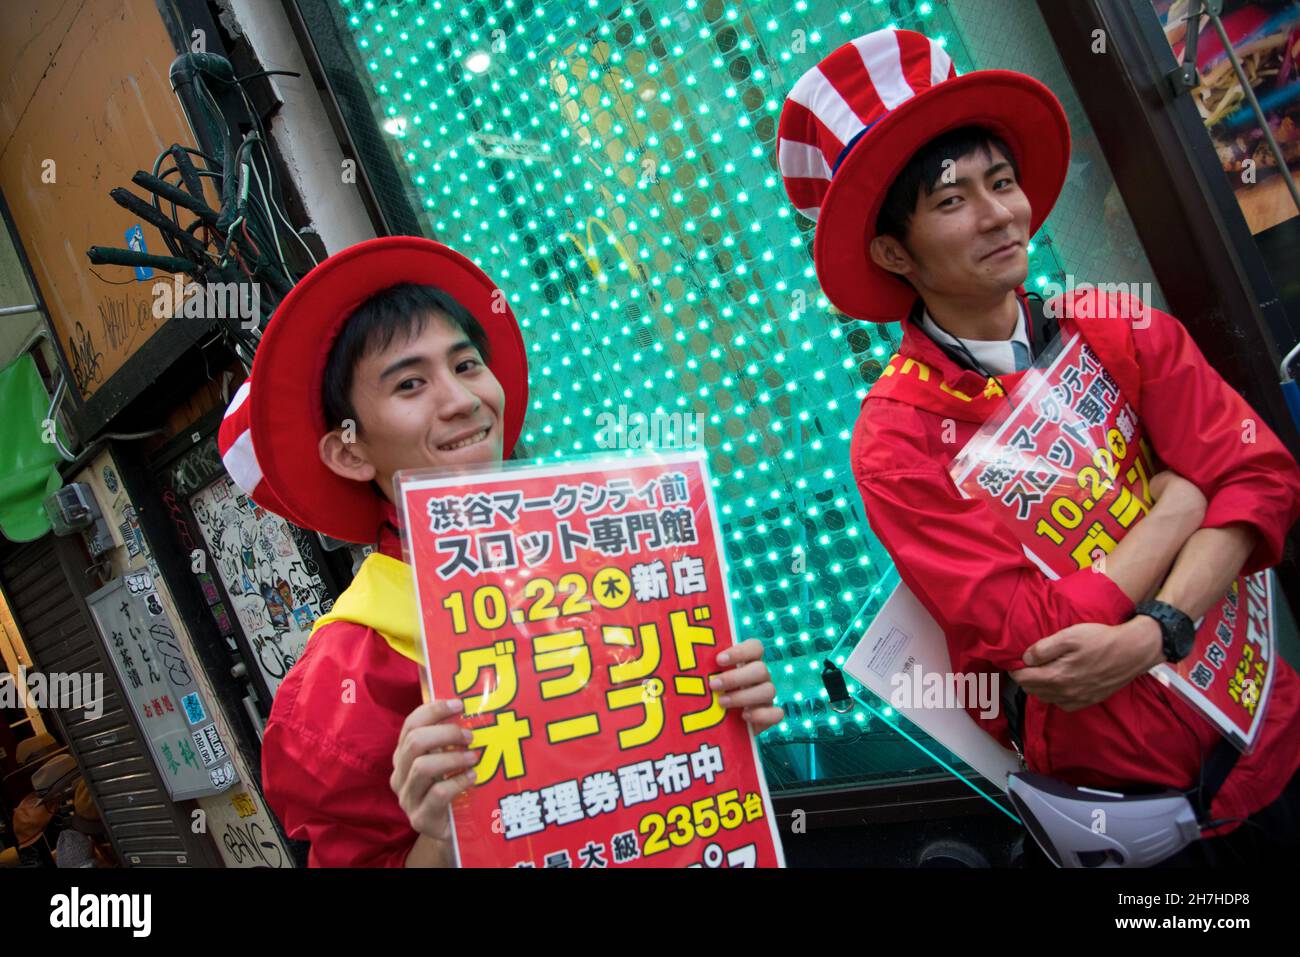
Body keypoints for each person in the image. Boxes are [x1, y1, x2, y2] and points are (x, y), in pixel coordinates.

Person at [777, 27, 1300, 863]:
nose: (1000, 215)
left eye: (1002, 181)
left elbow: (1261, 476)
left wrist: (1155, 628)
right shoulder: (895, 439)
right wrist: (1180, 505)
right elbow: (1036, 638)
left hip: (1278, 734)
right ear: (890, 250)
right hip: (1136, 814)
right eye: (952, 202)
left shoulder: (1117, 323)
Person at [218, 236, 783, 867]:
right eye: (410, 383)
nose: (461, 401)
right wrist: (441, 832)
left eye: (465, 366)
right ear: (350, 450)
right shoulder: (345, 676)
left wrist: (727, 722)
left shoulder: (620, 562)